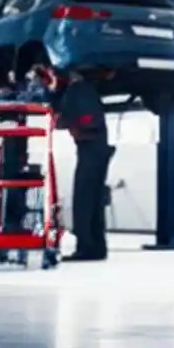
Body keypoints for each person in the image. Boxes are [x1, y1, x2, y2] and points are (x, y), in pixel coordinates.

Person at [59, 76, 112, 261]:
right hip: (98, 149)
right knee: (95, 199)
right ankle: (97, 247)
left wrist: (61, 120)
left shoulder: (78, 89)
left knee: (84, 198)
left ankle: (86, 247)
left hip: (91, 150)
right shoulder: (87, 89)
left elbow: (83, 121)